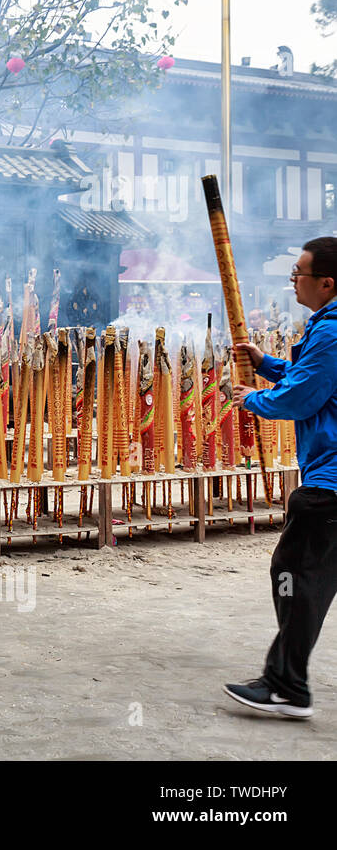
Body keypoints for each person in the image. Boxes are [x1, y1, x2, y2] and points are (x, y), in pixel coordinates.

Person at [224, 237, 337, 719]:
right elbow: (308, 378)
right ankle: (288, 681)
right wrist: (267, 364)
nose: (293, 280)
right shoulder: (326, 329)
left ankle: (286, 685)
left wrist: (249, 397)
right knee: (309, 580)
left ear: (327, 282)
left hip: (328, 486)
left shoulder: (333, 333)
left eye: (299, 273)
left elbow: (298, 399)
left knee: (293, 576)